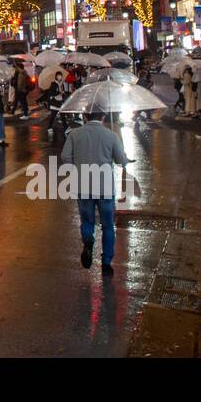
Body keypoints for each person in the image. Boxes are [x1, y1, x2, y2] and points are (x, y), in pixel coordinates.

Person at [61, 108, 129, 277]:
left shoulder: (74, 134)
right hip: (104, 187)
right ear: (103, 116)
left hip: (83, 184)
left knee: (87, 221)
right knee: (107, 225)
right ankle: (106, 263)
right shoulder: (111, 135)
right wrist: (123, 157)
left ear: (85, 116)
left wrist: (77, 166)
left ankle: (88, 240)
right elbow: (121, 160)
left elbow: (65, 156)